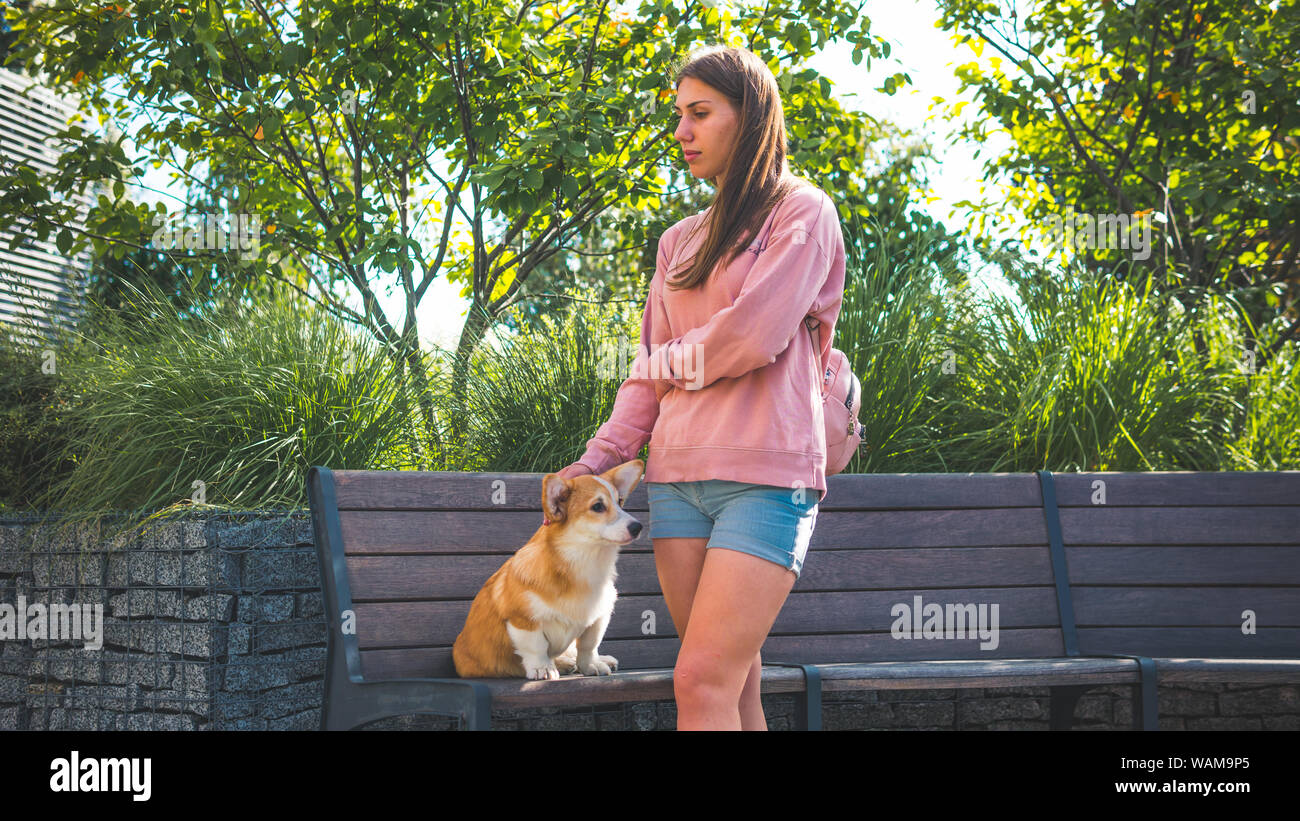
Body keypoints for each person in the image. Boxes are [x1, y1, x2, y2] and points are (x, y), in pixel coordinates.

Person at [555, 44, 846, 730]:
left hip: (765, 479)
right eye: (680, 115)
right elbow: (645, 374)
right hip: (677, 480)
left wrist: (667, 362)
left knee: (699, 680)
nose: (682, 131)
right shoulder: (678, 242)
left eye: (700, 113)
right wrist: (596, 460)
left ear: (750, 117)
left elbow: (753, 334)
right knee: (732, 686)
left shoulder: (803, 211)